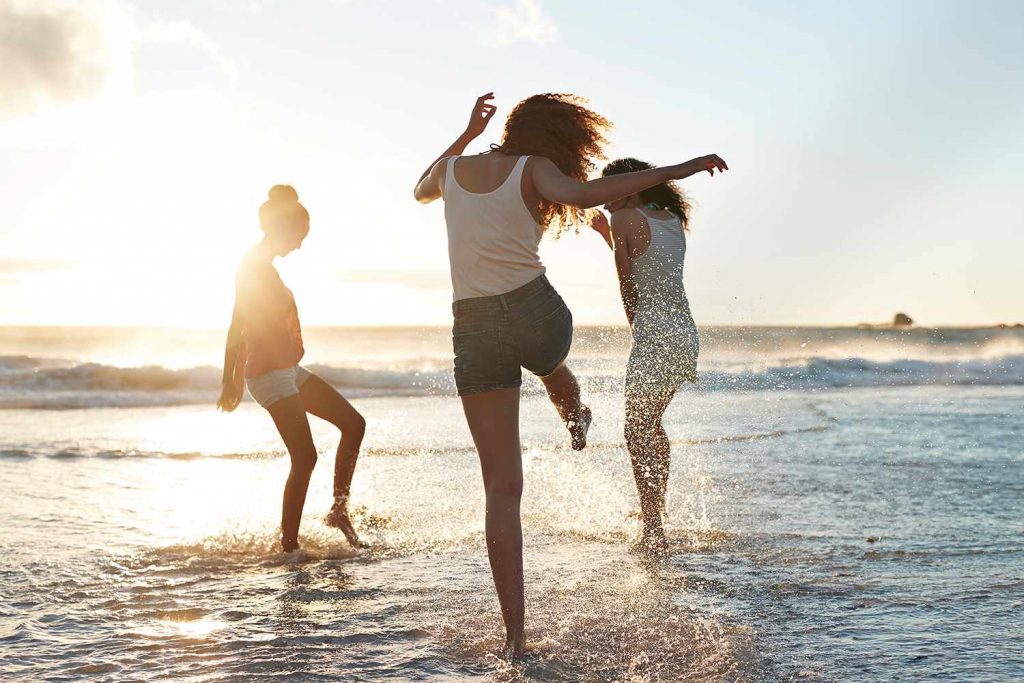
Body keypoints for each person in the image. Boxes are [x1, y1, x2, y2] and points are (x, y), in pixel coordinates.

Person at [413, 92, 728, 658]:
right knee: (550, 362)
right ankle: (574, 408)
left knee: (501, 491)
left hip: (475, 329)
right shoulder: (536, 170)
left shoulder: (452, 170)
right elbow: (589, 196)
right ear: (560, 140)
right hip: (539, 315)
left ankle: (514, 638)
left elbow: (420, 190)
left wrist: (464, 134)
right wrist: (684, 168)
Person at [217, 185, 367, 553]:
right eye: (299, 237)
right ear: (282, 229)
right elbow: (237, 327)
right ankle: (289, 547)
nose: (299, 245)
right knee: (305, 456)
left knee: (353, 424)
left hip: (287, 369)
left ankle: (338, 510)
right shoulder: (252, 266)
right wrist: (230, 381)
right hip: (267, 374)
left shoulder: (264, 266)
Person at [590, 158, 709, 556]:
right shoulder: (671, 219)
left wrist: (637, 333)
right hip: (683, 334)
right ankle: (655, 514)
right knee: (649, 424)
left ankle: (653, 527)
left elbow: (628, 285)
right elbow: (649, 266)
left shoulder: (625, 221)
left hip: (655, 336)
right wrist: (607, 235)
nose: (604, 201)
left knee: (636, 430)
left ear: (631, 187)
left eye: (609, 192)